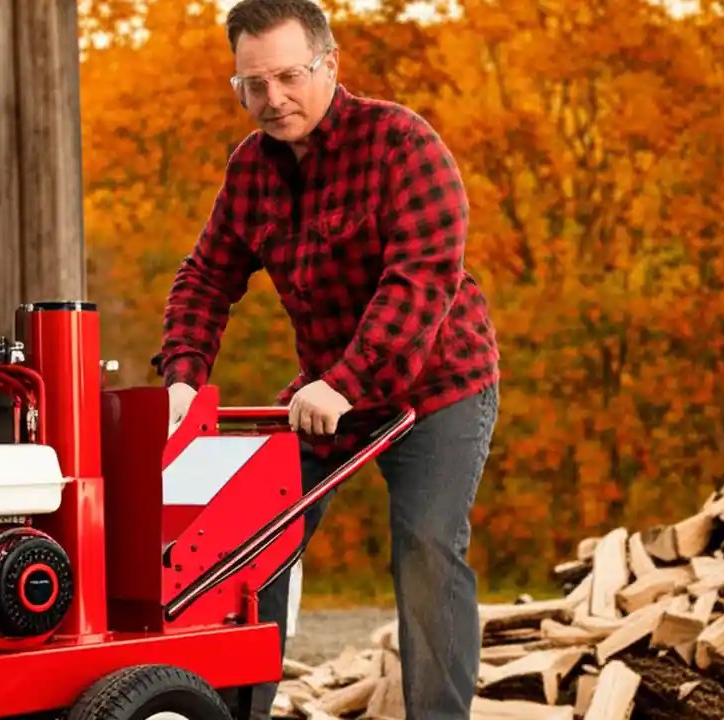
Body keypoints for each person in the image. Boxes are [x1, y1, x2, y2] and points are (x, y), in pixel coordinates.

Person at [151, 0, 500, 716]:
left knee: (426, 547)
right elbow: (206, 276)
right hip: (327, 392)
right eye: (254, 83)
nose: (272, 98)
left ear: (329, 65)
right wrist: (184, 378)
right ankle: (239, 709)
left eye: (288, 76)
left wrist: (346, 383)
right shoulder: (251, 169)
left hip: (436, 384)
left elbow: (422, 278)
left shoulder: (401, 144)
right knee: (249, 537)